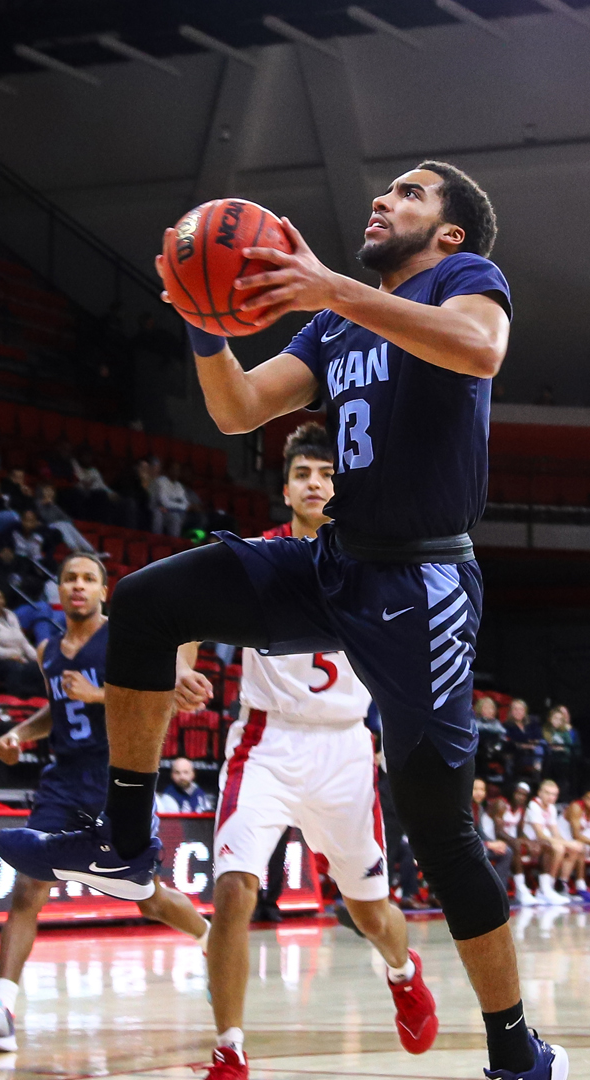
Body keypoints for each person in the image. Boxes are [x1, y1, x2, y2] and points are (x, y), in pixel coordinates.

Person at [0, 165, 561, 1080]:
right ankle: (126, 844)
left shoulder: (465, 281)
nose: (383, 199)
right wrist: (203, 321)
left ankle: (516, 1052)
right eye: (386, 190)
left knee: (440, 830)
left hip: (422, 579)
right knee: (145, 603)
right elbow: (240, 408)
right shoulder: (337, 325)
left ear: (449, 232)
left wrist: (329, 285)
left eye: (409, 193)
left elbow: (479, 351)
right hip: (336, 563)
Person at [191, 418, 437, 1075]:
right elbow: (184, 607)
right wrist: (184, 667)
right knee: (233, 891)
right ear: (285, 488)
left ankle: (403, 971)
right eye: (302, 474)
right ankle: (228, 1049)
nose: (314, 483)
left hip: (344, 749)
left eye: (327, 474)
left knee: (371, 914)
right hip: (266, 740)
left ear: (342, 486)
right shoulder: (255, 555)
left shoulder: (374, 562)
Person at [0, 553, 212, 1058]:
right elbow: (58, 709)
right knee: (28, 886)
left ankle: (209, 939)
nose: (78, 585)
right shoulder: (47, 649)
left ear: (103, 591)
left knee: (146, 896)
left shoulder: (124, 634)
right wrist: (20, 734)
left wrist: (97, 695)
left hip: (121, 774)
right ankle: (1, 1012)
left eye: (88, 579)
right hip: (64, 781)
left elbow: (151, 698)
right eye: (70, 578)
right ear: (59, 590)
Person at [520, 778, 585, 904]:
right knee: (558, 848)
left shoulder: (551, 808)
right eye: (547, 793)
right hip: (531, 842)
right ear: (539, 793)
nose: (551, 797)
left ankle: (562, 885)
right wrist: (565, 843)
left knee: (575, 848)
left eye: (554, 794)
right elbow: (540, 835)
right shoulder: (534, 806)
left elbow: (556, 833)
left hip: (545, 842)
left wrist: (569, 844)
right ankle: (546, 889)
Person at [473, 780, 517, 894]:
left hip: (476, 845)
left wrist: (494, 843)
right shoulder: (462, 808)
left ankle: (499, 892)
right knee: (482, 852)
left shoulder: (479, 808)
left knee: (506, 851)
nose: (479, 793)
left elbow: (480, 832)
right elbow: (464, 836)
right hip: (462, 848)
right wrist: (488, 844)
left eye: (482, 790)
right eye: (475, 789)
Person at [152, 460, 192, 537]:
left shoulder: (179, 485)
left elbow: (186, 504)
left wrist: (176, 506)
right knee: (163, 515)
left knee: (176, 517)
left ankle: (174, 542)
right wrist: (180, 506)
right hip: (159, 510)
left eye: (178, 470)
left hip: (172, 512)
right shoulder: (161, 481)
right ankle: (156, 539)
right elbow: (164, 503)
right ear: (168, 470)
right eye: (173, 469)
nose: (176, 472)